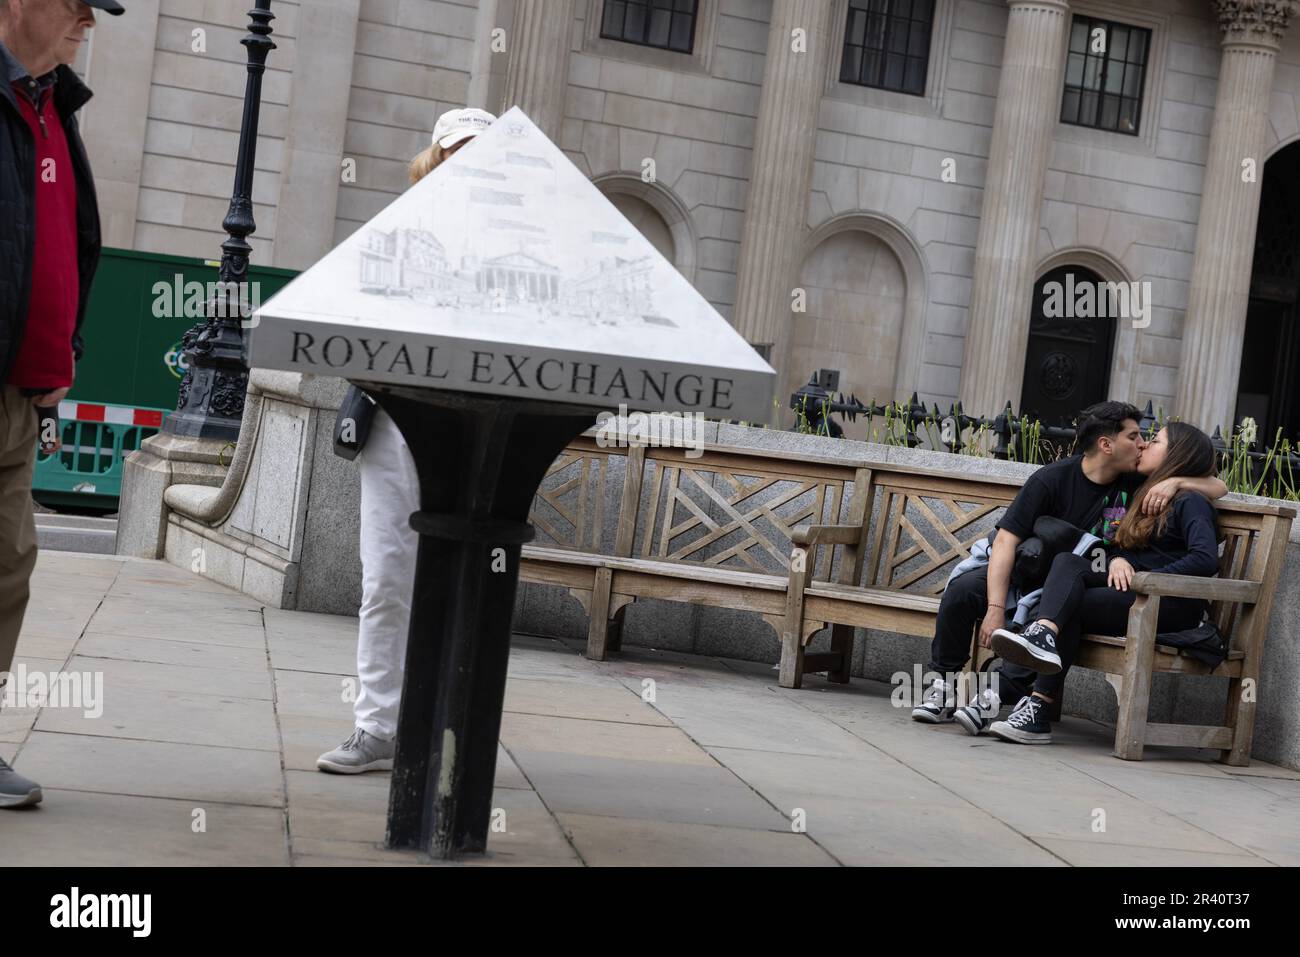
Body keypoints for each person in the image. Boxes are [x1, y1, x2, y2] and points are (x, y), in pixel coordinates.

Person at [317, 107, 497, 774]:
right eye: (460, 153)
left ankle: (445, 726)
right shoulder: (399, 232)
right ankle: (378, 727)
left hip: (471, 429)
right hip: (397, 424)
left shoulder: (512, 246)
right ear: (437, 159)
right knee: (388, 576)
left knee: (460, 581)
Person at [910, 401, 1228, 744]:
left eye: (1152, 440)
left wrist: (1176, 482)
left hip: (1125, 591)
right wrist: (995, 609)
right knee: (966, 589)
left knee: (1066, 603)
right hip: (1034, 574)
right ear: (1106, 445)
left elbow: (1216, 492)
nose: (1143, 444)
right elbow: (1005, 542)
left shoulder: (1152, 487)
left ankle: (1012, 691)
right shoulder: (1054, 479)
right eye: (1136, 436)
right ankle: (951, 685)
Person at [0, 0, 123, 810]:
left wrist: (65, 349)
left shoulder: (52, 105)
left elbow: (63, 244)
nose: (88, 22)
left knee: (9, 569)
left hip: (23, 396)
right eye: (76, 5)